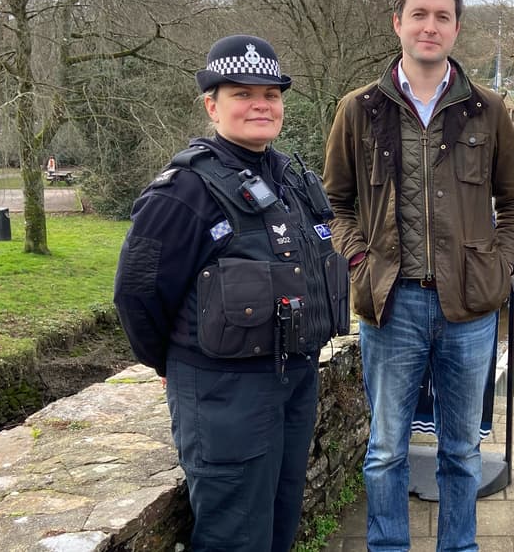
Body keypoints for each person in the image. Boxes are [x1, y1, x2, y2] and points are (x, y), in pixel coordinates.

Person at [113, 35, 350, 551]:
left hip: (294, 378)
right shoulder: (183, 192)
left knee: (281, 520)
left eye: (271, 93)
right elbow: (136, 293)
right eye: (242, 93)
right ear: (212, 105)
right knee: (234, 537)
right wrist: (172, 366)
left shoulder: (289, 178)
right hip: (225, 391)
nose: (260, 104)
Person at [323, 0, 514, 551]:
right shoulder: (358, 109)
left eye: (442, 16)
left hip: (469, 307)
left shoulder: (488, 110)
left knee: (462, 449)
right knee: (386, 449)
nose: (430, 26)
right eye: (419, 15)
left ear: (457, 27)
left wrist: (500, 265)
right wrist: (361, 262)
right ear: (398, 24)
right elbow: (335, 202)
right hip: (391, 305)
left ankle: (458, 546)